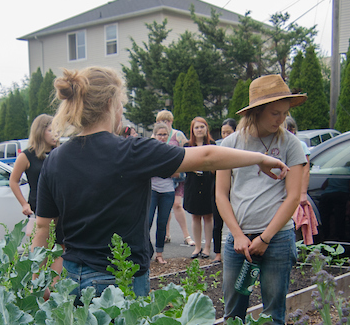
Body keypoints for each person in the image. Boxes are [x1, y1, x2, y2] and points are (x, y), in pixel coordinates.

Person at [30, 66, 288, 298]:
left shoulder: (56, 159)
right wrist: (259, 158)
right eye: (121, 105)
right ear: (110, 104)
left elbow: (42, 227)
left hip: (73, 279)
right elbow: (207, 156)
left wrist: (38, 280)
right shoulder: (132, 152)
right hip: (121, 282)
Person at [216, 75, 310, 325]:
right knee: (234, 309)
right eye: (276, 113)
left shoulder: (290, 144)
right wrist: (238, 236)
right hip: (237, 242)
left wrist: (265, 238)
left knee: (274, 310)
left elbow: (293, 196)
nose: (282, 119)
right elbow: (221, 195)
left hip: (277, 239)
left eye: (285, 113)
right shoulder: (230, 145)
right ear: (255, 111)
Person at [157, 109, 194, 248]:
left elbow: (186, 151)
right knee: (164, 206)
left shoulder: (178, 135)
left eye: (165, 121)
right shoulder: (157, 136)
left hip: (177, 176)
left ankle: (186, 235)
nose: (163, 123)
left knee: (177, 204)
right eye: (160, 121)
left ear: (171, 121)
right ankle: (166, 234)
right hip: (164, 177)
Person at [9, 113, 57, 218]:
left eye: (57, 130)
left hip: (60, 206)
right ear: (40, 132)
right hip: (38, 207)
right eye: (50, 130)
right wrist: (24, 204)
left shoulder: (60, 153)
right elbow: (13, 181)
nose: (55, 134)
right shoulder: (27, 156)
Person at [182, 117, 216, 259]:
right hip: (193, 184)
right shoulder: (187, 145)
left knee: (208, 216)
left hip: (208, 183)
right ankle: (197, 247)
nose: (199, 129)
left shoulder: (212, 145)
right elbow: (183, 164)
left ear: (206, 128)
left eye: (202, 127)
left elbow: (217, 165)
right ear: (192, 131)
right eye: (196, 127)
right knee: (195, 216)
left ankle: (207, 247)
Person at [146, 121, 179, 264]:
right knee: (147, 221)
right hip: (152, 189)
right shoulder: (150, 150)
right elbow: (147, 170)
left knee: (162, 222)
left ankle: (159, 253)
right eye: (159, 134)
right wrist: (165, 171)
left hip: (168, 191)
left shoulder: (171, 150)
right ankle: (146, 251)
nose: (162, 137)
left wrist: (162, 171)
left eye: (165, 134)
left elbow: (178, 173)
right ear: (154, 135)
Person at [212, 118, 237, 262]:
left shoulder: (240, 149)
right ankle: (217, 254)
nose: (225, 135)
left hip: (235, 191)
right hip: (219, 188)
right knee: (217, 223)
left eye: (229, 132)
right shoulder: (219, 148)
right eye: (223, 133)